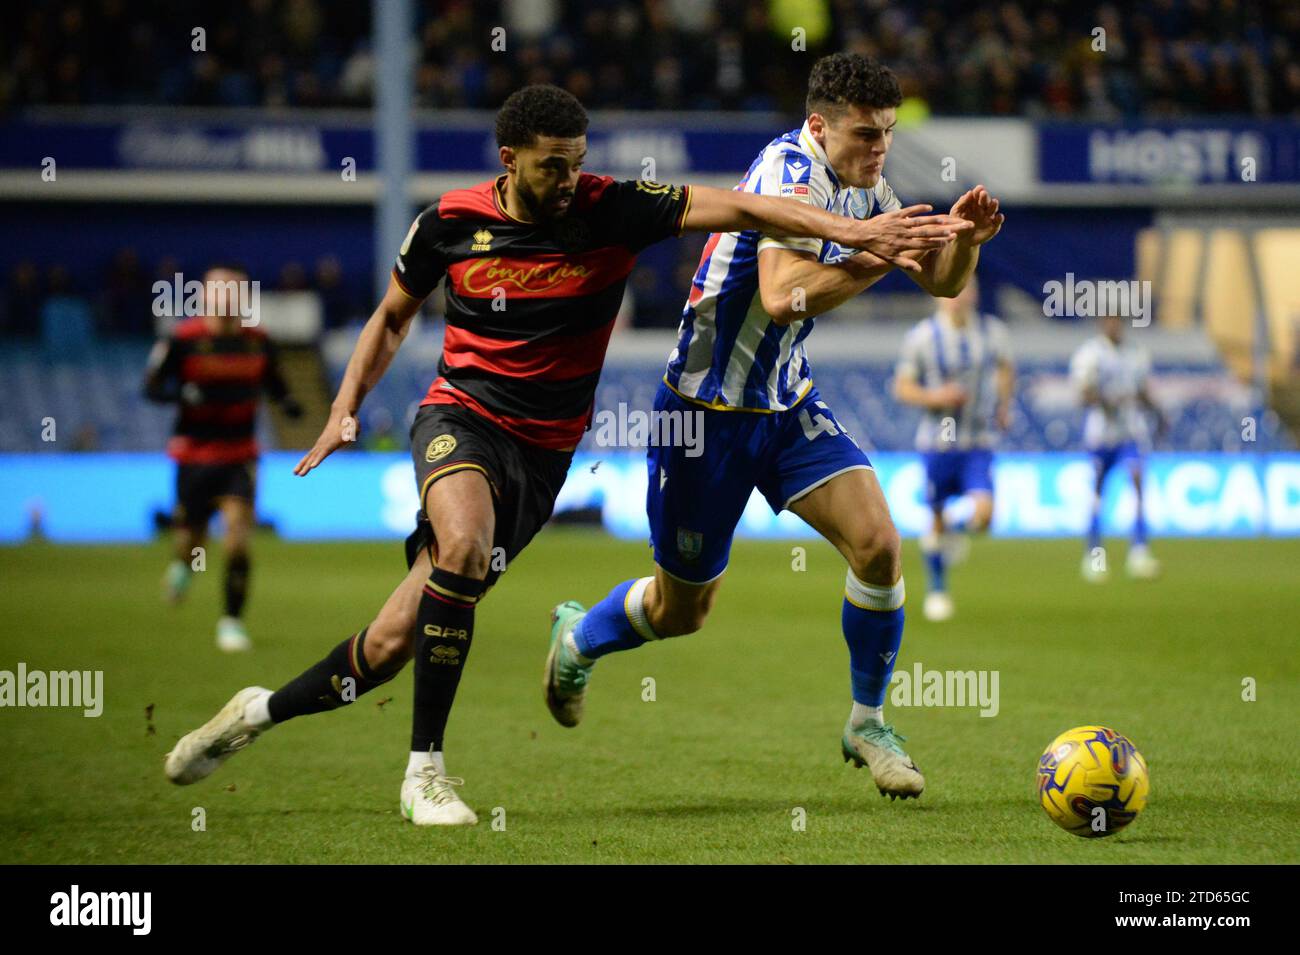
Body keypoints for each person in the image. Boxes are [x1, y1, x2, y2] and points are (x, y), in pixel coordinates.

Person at [163, 83, 969, 825]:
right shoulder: (448, 223)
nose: (568, 180)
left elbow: (739, 208)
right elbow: (391, 317)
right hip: (461, 418)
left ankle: (257, 711)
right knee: (465, 546)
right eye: (554, 167)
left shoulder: (610, 207)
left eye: (578, 163)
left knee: (387, 643)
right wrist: (344, 409)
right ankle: (425, 771)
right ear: (510, 160)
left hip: (544, 455)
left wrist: (868, 232)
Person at [544, 54, 1003, 801]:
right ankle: (578, 637)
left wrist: (965, 244)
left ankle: (867, 720)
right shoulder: (789, 172)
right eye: (865, 135)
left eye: (886, 134)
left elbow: (939, 282)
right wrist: (876, 253)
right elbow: (785, 294)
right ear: (819, 126)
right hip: (704, 417)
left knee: (879, 546)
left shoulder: (864, 187)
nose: (879, 150)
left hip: (786, 407)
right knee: (681, 610)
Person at [144, 263, 301, 651]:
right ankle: (183, 566)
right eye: (220, 290)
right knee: (193, 541)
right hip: (194, 455)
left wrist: (288, 403)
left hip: (240, 455)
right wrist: (181, 395)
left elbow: (275, 385)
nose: (227, 297)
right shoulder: (184, 340)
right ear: (205, 296)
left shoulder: (258, 341)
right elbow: (151, 388)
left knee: (237, 538)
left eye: (235, 290)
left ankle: (231, 621)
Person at [893, 278, 1014, 621]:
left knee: (985, 516)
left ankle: (955, 536)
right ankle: (937, 590)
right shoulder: (922, 336)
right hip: (937, 443)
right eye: (954, 290)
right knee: (935, 516)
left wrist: (1004, 405)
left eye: (967, 289)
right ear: (940, 294)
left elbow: (1006, 367)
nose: (959, 297)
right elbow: (902, 387)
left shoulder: (993, 332)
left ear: (975, 293)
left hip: (977, 441)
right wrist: (935, 397)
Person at [1069, 314, 1165, 582]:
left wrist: (1158, 412)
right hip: (1101, 436)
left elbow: (1142, 391)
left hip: (1130, 432)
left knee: (1137, 483)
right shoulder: (1089, 354)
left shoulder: (1137, 354)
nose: (1113, 325)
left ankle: (1139, 553)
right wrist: (1105, 400)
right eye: (1108, 321)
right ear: (1102, 324)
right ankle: (1094, 556)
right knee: (1098, 495)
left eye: (1117, 321)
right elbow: (1082, 394)